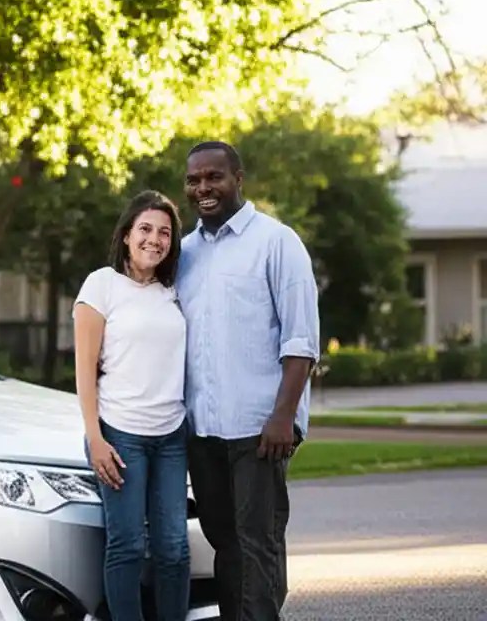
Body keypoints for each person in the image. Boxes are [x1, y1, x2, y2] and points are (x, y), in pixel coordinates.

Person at [175, 141, 320, 621]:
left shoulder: (277, 242)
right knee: (225, 541)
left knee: (258, 541)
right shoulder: (186, 253)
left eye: (213, 177)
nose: (203, 189)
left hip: (260, 428)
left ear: (239, 178)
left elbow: (301, 340)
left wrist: (283, 417)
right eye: (194, 180)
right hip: (204, 428)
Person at [74, 189, 191, 621]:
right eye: (145, 229)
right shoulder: (101, 285)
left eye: (164, 232)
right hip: (120, 434)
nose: (154, 240)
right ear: (126, 234)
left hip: (172, 435)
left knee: (174, 550)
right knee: (126, 546)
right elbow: (85, 370)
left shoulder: (173, 290)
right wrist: (95, 438)